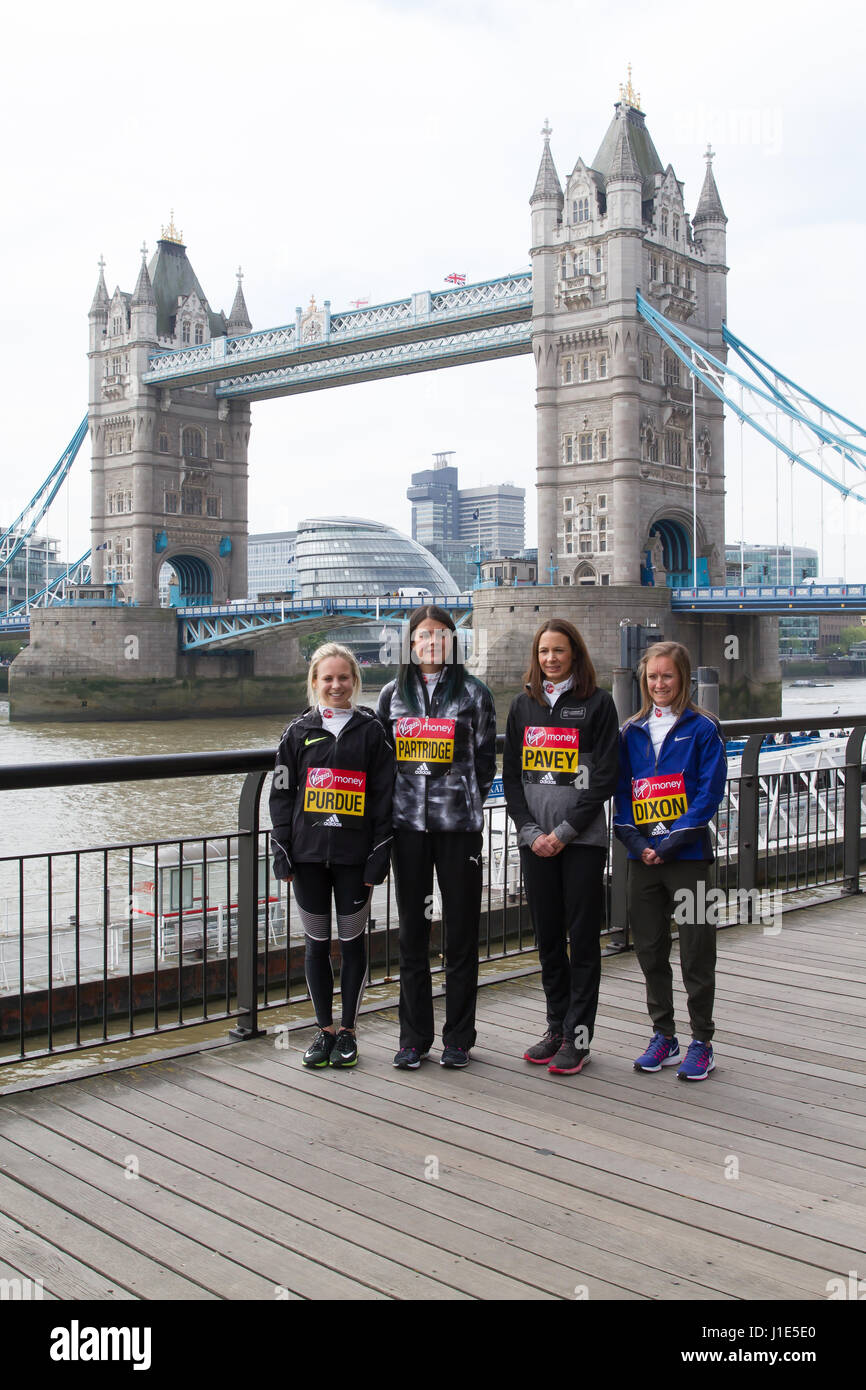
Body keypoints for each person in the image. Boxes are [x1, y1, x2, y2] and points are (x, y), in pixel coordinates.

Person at [377, 606, 497, 1069]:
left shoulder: (473, 694)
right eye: (423, 635)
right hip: (407, 831)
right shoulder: (391, 696)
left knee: (462, 934)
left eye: (441, 635)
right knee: (411, 935)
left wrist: (464, 800)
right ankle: (413, 1038)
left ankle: (458, 1039)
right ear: (410, 643)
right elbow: (383, 762)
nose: (431, 642)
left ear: (452, 642)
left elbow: (485, 760)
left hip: (458, 832)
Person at [502, 619, 619, 1076]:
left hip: (582, 842)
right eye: (544, 651)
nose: (551, 659)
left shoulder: (598, 704)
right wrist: (531, 832)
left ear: (575, 654)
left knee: (583, 941)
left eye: (559, 651)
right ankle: (555, 1027)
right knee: (548, 938)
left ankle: (579, 1038)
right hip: (536, 844)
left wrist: (565, 831)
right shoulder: (522, 706)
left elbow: (605, 777)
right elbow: (511, 777)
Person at [270, 642, 394, 1069]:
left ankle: (349, 1032)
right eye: (328, 678)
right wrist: (281, 849)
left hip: (354, 858)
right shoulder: (297, 732)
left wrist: (380, 854)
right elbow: (282, 793)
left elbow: (384, 797)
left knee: (353, 943)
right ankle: (322, 1031)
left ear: (355, 682)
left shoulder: (372, 731)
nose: (336, 685)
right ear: (315, 683)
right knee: (316, 944)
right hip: (306, 858)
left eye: (344, 678)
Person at [614, 640, 727, 1081]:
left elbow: (708, 793)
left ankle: (702, 1040)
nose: (659, 684)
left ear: (683, 679)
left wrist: (671, 842)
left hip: (689, 857)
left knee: (698, 950)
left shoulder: (702, 728)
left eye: (667, 676)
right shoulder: (631, 731)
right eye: (652, 677)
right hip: (641, 857)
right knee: (650, 949)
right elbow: (621, 791)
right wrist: (636, 842)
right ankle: (664, 1033)